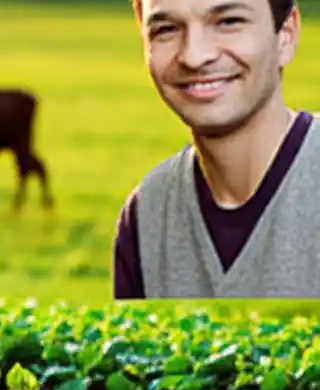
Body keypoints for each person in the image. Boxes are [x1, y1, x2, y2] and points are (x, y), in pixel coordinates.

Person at [112, 0, 316, 299]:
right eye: (166, 29)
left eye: (228, 22)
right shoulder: (148, 213)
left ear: (285, 35)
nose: (194, 56)